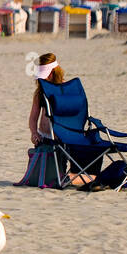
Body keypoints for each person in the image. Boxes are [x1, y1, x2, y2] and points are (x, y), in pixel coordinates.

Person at [27, 51, 91, 185]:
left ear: (53, 72)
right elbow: (33, 118)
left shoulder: (67, 89)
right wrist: (34, 133)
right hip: (44, 139)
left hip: (64, 140)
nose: (42, 79)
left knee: (56, 178)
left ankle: (90, 178)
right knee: (44, 178)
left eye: (46, 75)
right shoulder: (40, 93)